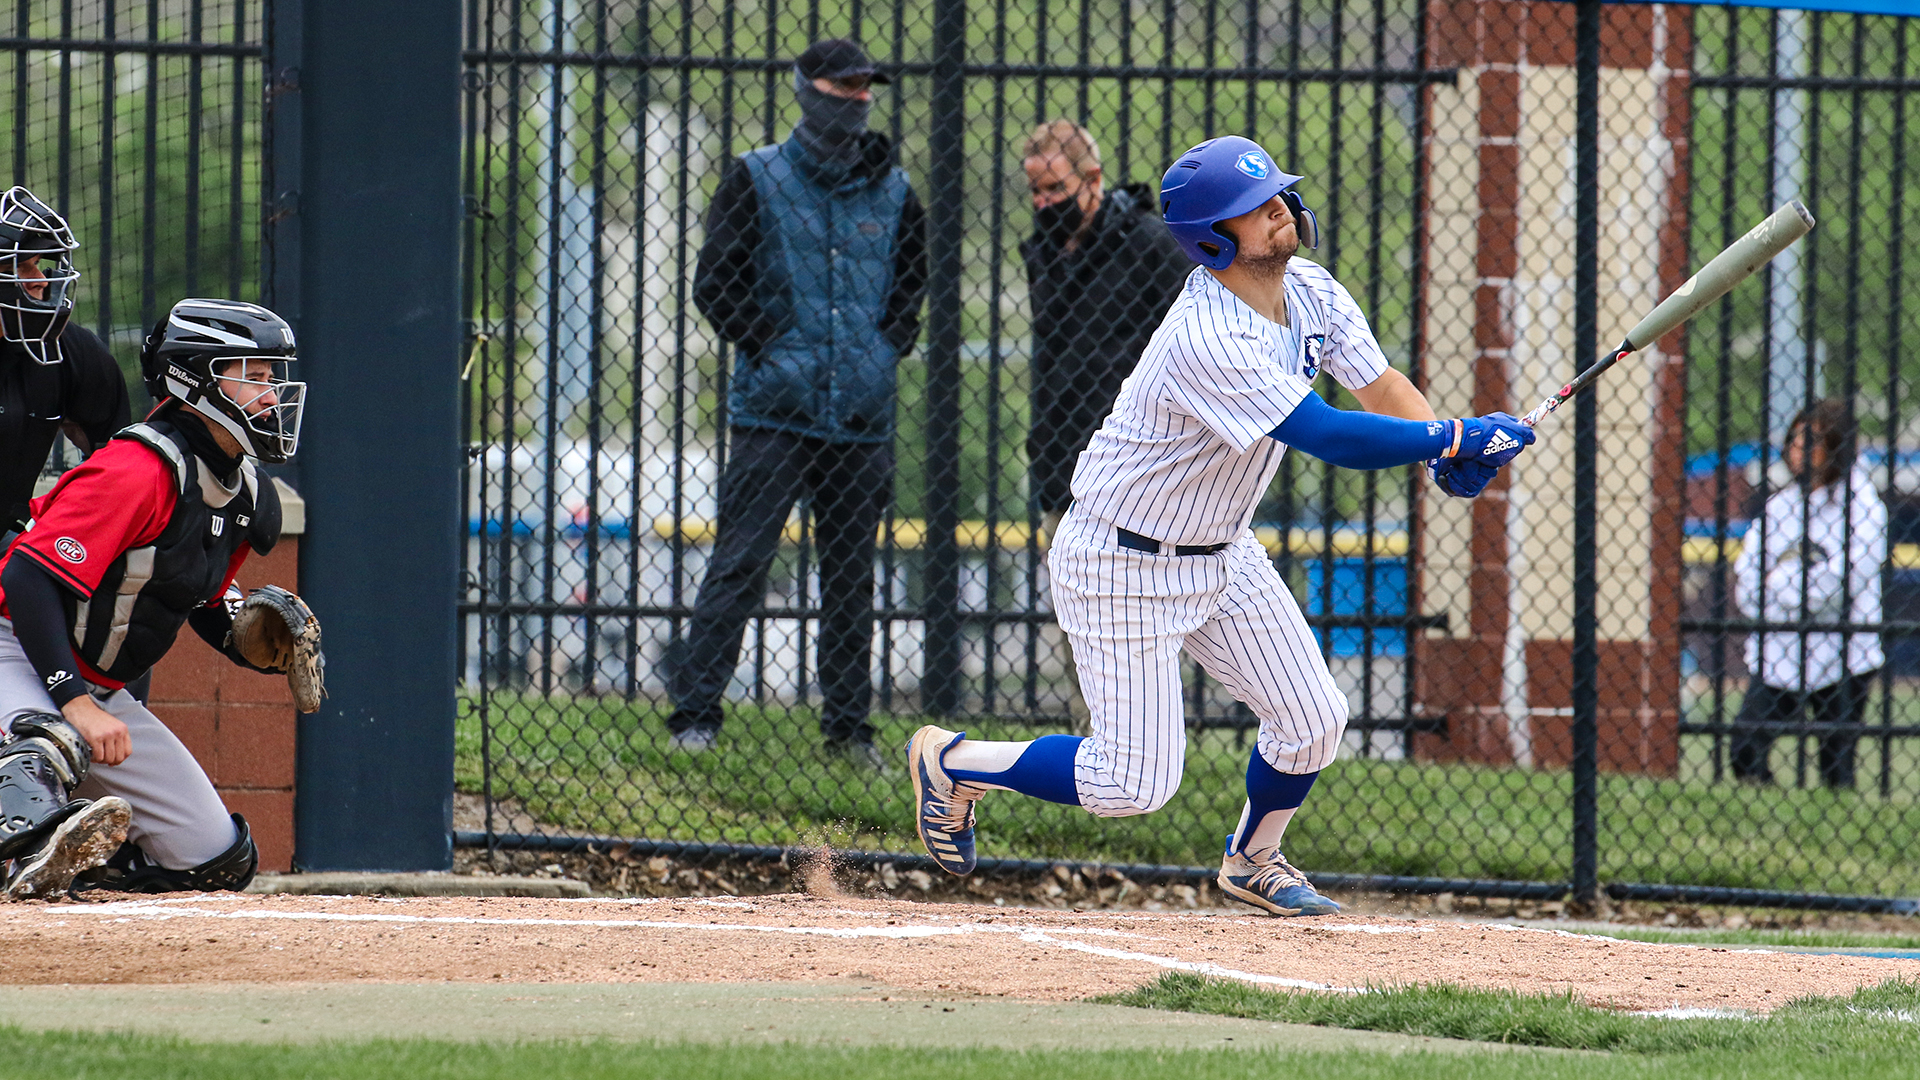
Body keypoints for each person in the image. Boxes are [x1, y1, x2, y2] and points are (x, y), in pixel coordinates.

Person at [904, 135, 1534, 916]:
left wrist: (1437, 447)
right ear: (1211, 238)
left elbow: (1379, 387)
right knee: (1133, 783)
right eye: (1251, 208)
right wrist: (1452, 437)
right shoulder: (1210, 337)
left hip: (1221, 551)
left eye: (1275, 195)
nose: (1276, 211)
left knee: (1313, 719)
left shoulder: (1311, 290)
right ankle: (957, 762)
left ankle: (1253, 858)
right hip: (1120, 560)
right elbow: (1328, 434)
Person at [0, 298, 319, 900]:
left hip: (87, 683)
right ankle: (28, 850)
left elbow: (197, 590)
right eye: (252, 375)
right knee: (41, 756)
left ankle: (72, 861)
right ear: (194, 377)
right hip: (14, 648)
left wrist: (242, 633)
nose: (272, 393)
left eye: (273, 376)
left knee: (215, 859)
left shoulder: (245, 490)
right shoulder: (137, 468)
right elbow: (25, 577)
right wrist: (75, 703)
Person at [674, 38, 928, 767]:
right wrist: (771, 346)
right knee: (740, 563)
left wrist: (882, 353)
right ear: (807, 89)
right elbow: (714, 284)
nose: (857, 98)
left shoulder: (897, 192)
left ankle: (848, 731)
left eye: (865, 87)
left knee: (851, 581)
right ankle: (696, 716)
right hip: (772, 415)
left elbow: (912, 286)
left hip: (860, 420)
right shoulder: (755, 179)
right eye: (843, 85)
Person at [1019, 120, 1191, 542]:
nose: (1044, 203)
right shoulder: (1044, 252)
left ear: (1092, 179)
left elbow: (1192, 347)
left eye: (1056, 189)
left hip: (1140, 477)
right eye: (1036, 192)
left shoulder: (1152, 244)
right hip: (1064, 472)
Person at [1730, 399, 1884, 788]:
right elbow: (1747, 579)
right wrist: (1787, 588)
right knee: (1744, 750)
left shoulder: (1863, 507)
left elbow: (1839, 585)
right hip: (1780, 650)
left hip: (1844, 655)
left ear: (1835, 446)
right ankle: (1768, 817)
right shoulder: (1780, 506)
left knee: (1836, 765)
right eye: (1793, 441)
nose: (1797, 451)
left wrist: (1780, 583)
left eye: (1810, 442)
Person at [0, 186, 132, 534]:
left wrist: (63, 529)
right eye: (19, 267)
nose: (40, 281)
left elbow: (123, 466)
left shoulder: (67, 349)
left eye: (37, 265)